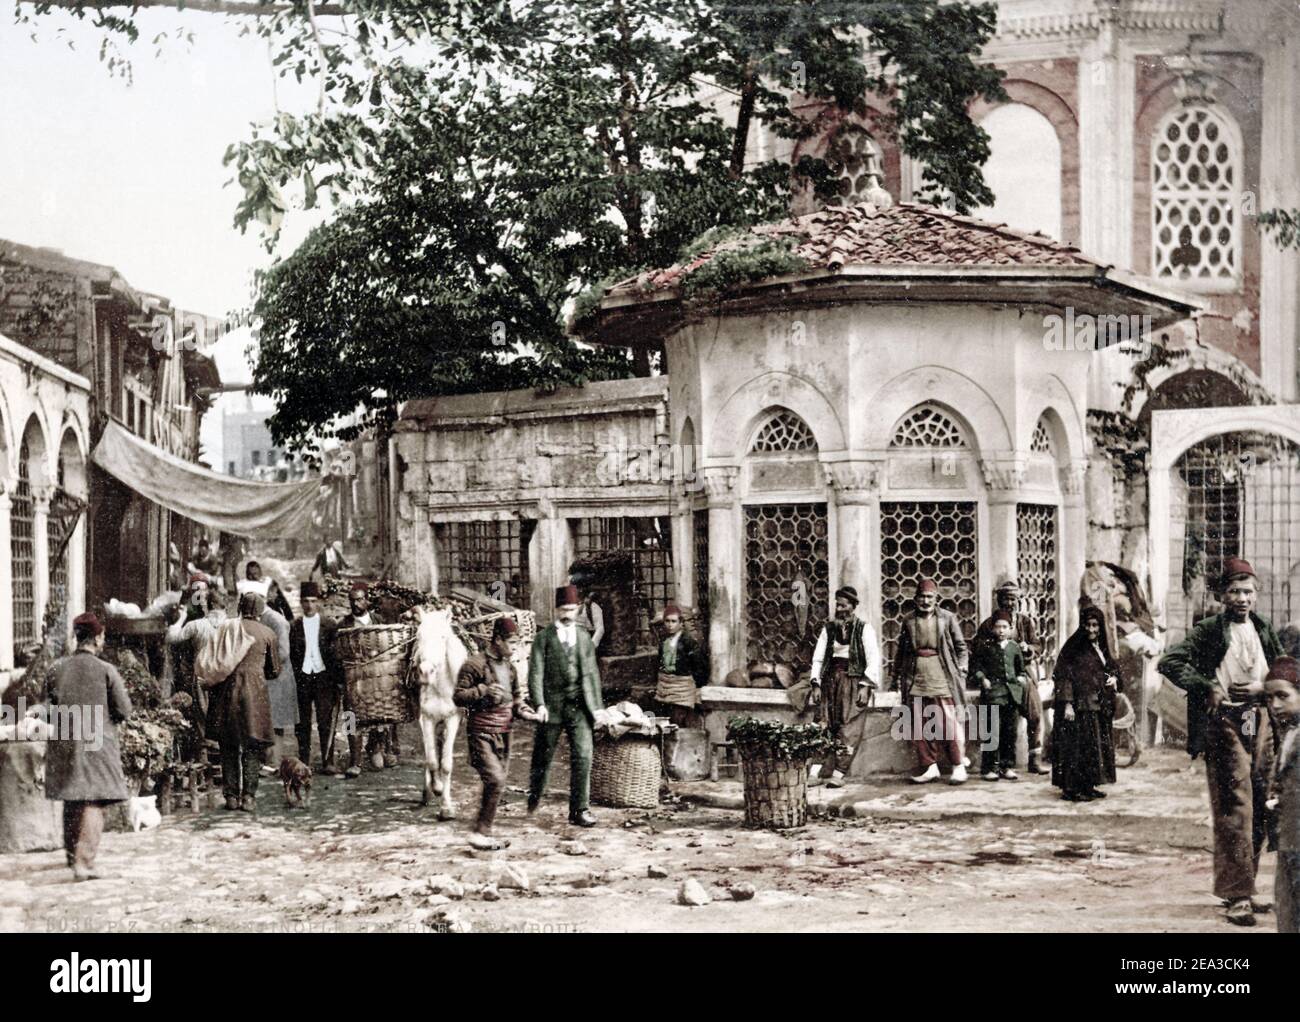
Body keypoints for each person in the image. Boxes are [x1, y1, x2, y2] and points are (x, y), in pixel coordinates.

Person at [1158, 558, 1284, 926]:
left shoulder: (1262, 628)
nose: (1241, 598)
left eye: (1248, 591)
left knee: (1261, 804)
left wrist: (1267, 687)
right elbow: (1171, 662)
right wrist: (1206, 685)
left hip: (1260, 720)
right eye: (1234, 591)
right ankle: (1236, 894)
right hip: (1225, 722)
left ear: (1256, 595)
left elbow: (1282, 668)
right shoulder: (1210, 629)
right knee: (1236, 805)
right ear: (1220, 595)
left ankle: (1245, 887)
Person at [43, 613, 132, 881]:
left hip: (64, 739)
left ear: (76, 636)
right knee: (94, 799)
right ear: (97, 637)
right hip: (96, 739)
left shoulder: (56, 668)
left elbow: (46, 708)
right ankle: (85, 863)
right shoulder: (106, 670)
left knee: (72, 797)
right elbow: (123, 710)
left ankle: (72, 858)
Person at [526, 585, 605, 827]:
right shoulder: (544, 638)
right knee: (543, 756)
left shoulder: (583, 637)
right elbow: (536, 673)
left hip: (580, 707)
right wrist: (539, 704)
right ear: (556, 609)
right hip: (552, 706)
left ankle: (579, 810)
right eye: (563, 609)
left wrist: (598, 708)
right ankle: (535, 795)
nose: (567, 614)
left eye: (572, 609)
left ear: (578, 608)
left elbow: (592, 674)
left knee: (583, 755)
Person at [455, 618, 531, 850]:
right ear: (497, 640)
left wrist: (526, 711)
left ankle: (484, 831)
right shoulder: (474, 665)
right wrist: (483, 690)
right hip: (481, 732)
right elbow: (458, 696)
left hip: (505, 733)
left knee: (497, 783)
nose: (515, 648)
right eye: (512, 642)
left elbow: (516, 698)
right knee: (495, 779)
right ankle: (480, 832)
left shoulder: (510, 668)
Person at [203, 592, 281, 812]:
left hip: (225, 695)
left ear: (240, 608)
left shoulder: (226, 629)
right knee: (252, 746)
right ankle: (249, 797)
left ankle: (231, 796)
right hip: (254, 696)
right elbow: (274, 670)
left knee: (228, 745)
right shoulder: (267, 633)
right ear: (259, 611)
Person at [893, 578, 970, 784]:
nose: (925, 601)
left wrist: (962, 666)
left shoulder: (947, 618)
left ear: (936, 599)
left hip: (941, 672)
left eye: (929, 597)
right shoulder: (908, 620)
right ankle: (930, 766)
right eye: (922, 597)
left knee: (947, 721)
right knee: (919, 722)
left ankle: (958, 765)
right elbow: (901, 652)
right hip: (916, 674)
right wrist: (896, 676)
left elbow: (961, 646)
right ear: (915, 598)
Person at [808, 586, 882, 787]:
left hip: (852, 682)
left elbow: (873, 659)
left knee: (849, 727)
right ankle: (816, 772)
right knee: (822, 723)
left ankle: (839, 774)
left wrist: (865, 686)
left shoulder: (864, 629)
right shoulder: (828, 629)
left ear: (853, 606)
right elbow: (818, 658)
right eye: (837, 605)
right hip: (830, 680)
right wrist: (816, 683)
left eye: (844, 605)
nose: (840, 609)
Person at [973, 578, 1047, 775]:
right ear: (999, 600)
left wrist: (1028, 648)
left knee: (1035, 713)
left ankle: (1034, 758)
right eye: (1006, 599)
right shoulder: (989, 624)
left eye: (1014, 599)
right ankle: (993, 765)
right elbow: (978, 652)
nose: (1010, 603)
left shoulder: (1025, 622)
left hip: (1021, 677)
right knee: (996, 721)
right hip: (996, 681)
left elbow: (1038, 646)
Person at [1051, 606, 1122, 802]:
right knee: (1076, 749)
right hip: (1079, 707)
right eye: (1088, 625)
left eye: (1095, 625)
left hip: (1097, 706)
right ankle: (1072, 789)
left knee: (1093, 749)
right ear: (1082, 626)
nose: (1091, 629)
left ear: (1100, 627)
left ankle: (1089, 785)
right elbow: (1063, 676)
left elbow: (1112, 668)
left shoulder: (1101, 647)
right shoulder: (1073, 648)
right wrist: (1067, 704)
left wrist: (1114, 678)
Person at [290, 581, 351, 776]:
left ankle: (328, 760)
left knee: (326, 720)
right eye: (305, 601)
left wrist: (339, 680)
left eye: (313, 601)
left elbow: (337, 655)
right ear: (301, 602)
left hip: (325, 678)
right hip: (303, 679)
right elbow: (291, 655)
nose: (309, 605)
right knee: (302, 722)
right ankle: (304, 760)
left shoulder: (329, 625)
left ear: (319, 603)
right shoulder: (295, 626)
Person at [336, 584, 396, 770]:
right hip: (353, 681)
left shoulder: (379, 622)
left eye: (360, 599)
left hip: (376, 680)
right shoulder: (343, 626)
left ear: (367, 600)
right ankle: (355, 760)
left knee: (379, 714)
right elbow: (337, 654)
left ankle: (376, 747)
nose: (356, 603)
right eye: (352, 600)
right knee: (351, 718)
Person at [240, 575, 298, 764]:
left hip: (277, 677)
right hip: (262, 675)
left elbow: (283, 653)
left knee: (276, 721)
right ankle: (265, 760)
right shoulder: (251, 618)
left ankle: (273, 761)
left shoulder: (276, 621)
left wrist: (259, 663)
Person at [166, 583, 229, 751]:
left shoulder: (197, 625)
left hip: (201, 675)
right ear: (225, 605)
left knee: (202, 715)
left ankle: (204, 755)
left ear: (208, 605)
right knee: (223, 714)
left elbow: (171, 637)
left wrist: (181, 617)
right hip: (225, 676)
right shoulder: (233, 625)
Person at [970, 610, 1029, 781]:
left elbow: (1021, 670)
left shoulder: (1014, 647)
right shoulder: (985, 647)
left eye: (1005, 627)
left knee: (1009, 732)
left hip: (1011, 695)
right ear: (992, 628)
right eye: (998, 627)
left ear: (1011, 629)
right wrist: (983, 679)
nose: (1001, 631)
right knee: (992, 731)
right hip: (993, 694)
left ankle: (1007, 765)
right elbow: (976, 668)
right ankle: (990, 768)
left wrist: (1021, 678)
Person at [1264, 657, 1300, 933]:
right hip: (1289, 841)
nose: (1274, 705)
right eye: (1269, 697)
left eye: (1283, 696)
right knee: (1286, 913)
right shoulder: (1289, 734)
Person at [653, 604, 708, 728]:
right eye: (667, 621)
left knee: (678, 721)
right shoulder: (664, 641)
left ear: (681, 623)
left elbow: (698, 665)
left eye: (673, 621)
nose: (670, 625)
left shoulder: (688, 642)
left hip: (682, 688)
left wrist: (697, 685)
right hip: (664, 686)